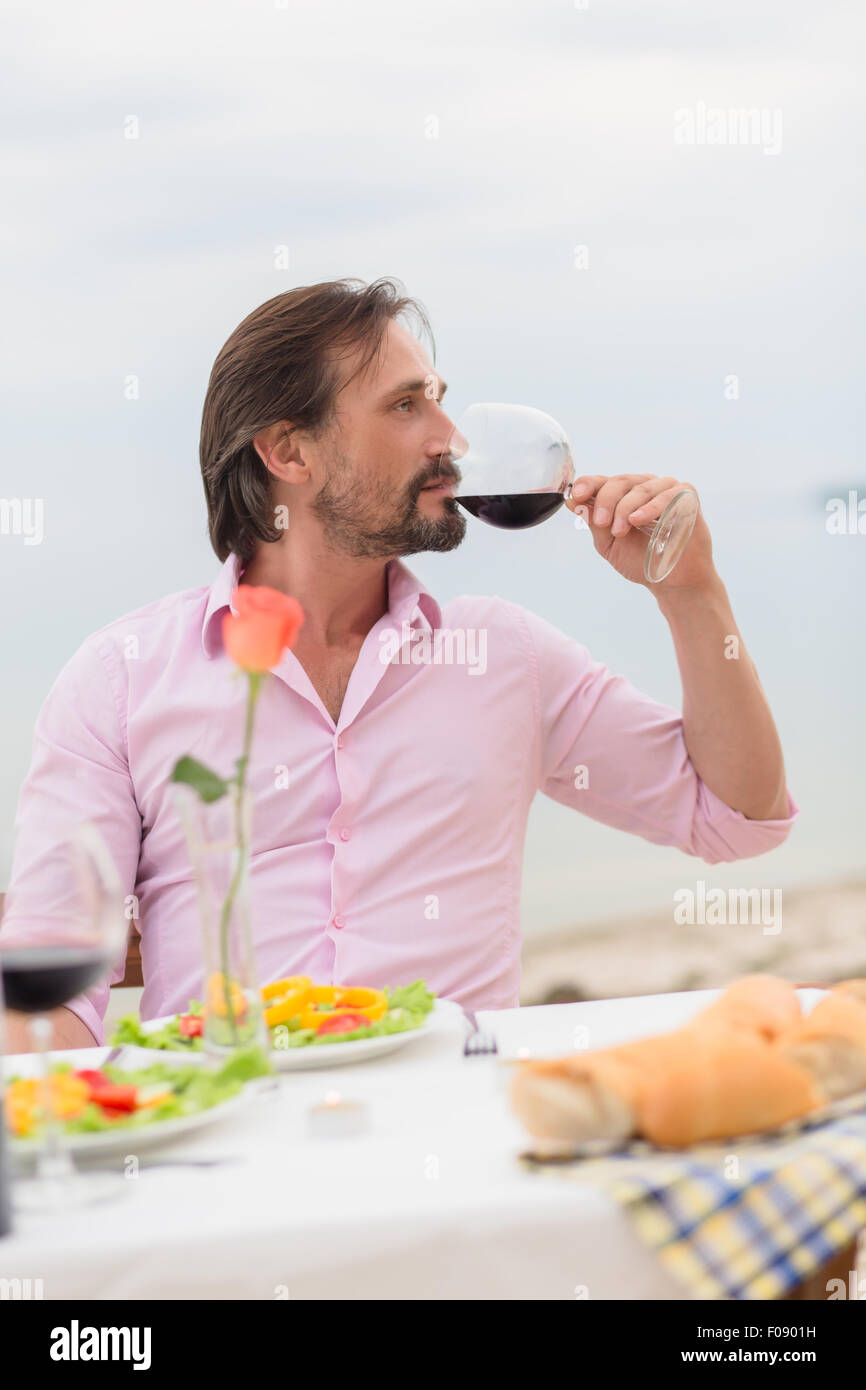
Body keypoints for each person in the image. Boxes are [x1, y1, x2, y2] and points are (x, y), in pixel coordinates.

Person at [0, 277, 798, 1050]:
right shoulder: (119, 681)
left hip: (459, 1133)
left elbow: (735, 817)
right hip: (222, 1135)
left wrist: (691, 593)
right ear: (287, 451)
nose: (449, 438)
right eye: (406, 405)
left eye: (438, 399)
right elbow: (47, 995)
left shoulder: (506, 657)